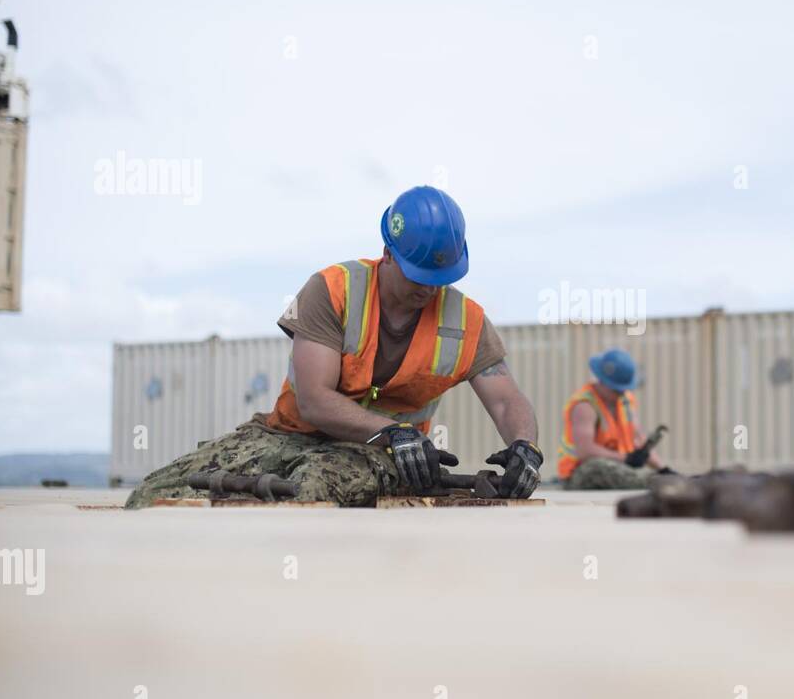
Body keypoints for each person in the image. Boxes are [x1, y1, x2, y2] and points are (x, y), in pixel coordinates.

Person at [125, 186, 542, 508]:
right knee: (153, 496)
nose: (430, 291)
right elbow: (314, 401)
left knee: (313, 489)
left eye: (440, 279)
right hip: (285, 435)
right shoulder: (334, 291)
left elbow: (506, 402)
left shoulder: (466, 321)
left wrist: (527, 448)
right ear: (388, 254)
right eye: (419, 278)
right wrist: (394, 431)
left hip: (380, 455)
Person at [555, 348, 668, 490]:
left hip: (618, 468)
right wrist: (626, 458)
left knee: (638, 475)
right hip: (579, 473)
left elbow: (639, 442)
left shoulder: (625, 401)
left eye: (623, 390)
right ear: (601, 381)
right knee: (598, 468)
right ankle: (657, 482)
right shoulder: (585, 405)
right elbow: (585, 451)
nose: (620, 394)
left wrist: (664, 469)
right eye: (616, 390)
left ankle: (664, 480)